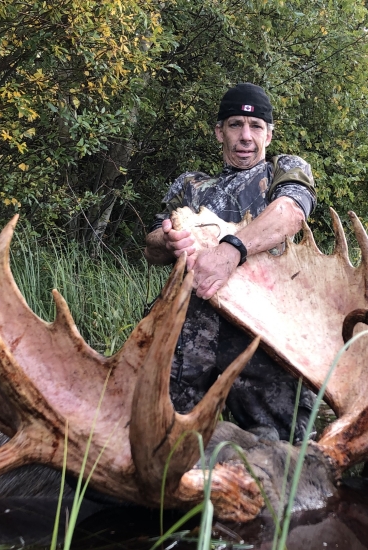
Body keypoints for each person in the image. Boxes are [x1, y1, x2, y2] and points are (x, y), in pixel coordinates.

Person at [143, 83, 317, 443]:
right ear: (219, 132)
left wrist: (232, 249)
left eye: (256, 127)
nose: (245, 136)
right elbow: (152, 245)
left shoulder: (284, 169)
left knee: (285, 451)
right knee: (167, 440)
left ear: (269, 134)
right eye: (235, 125)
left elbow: (290, 214)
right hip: (190, 331)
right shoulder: (190, 185)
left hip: (265, 333)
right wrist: (169, 240)